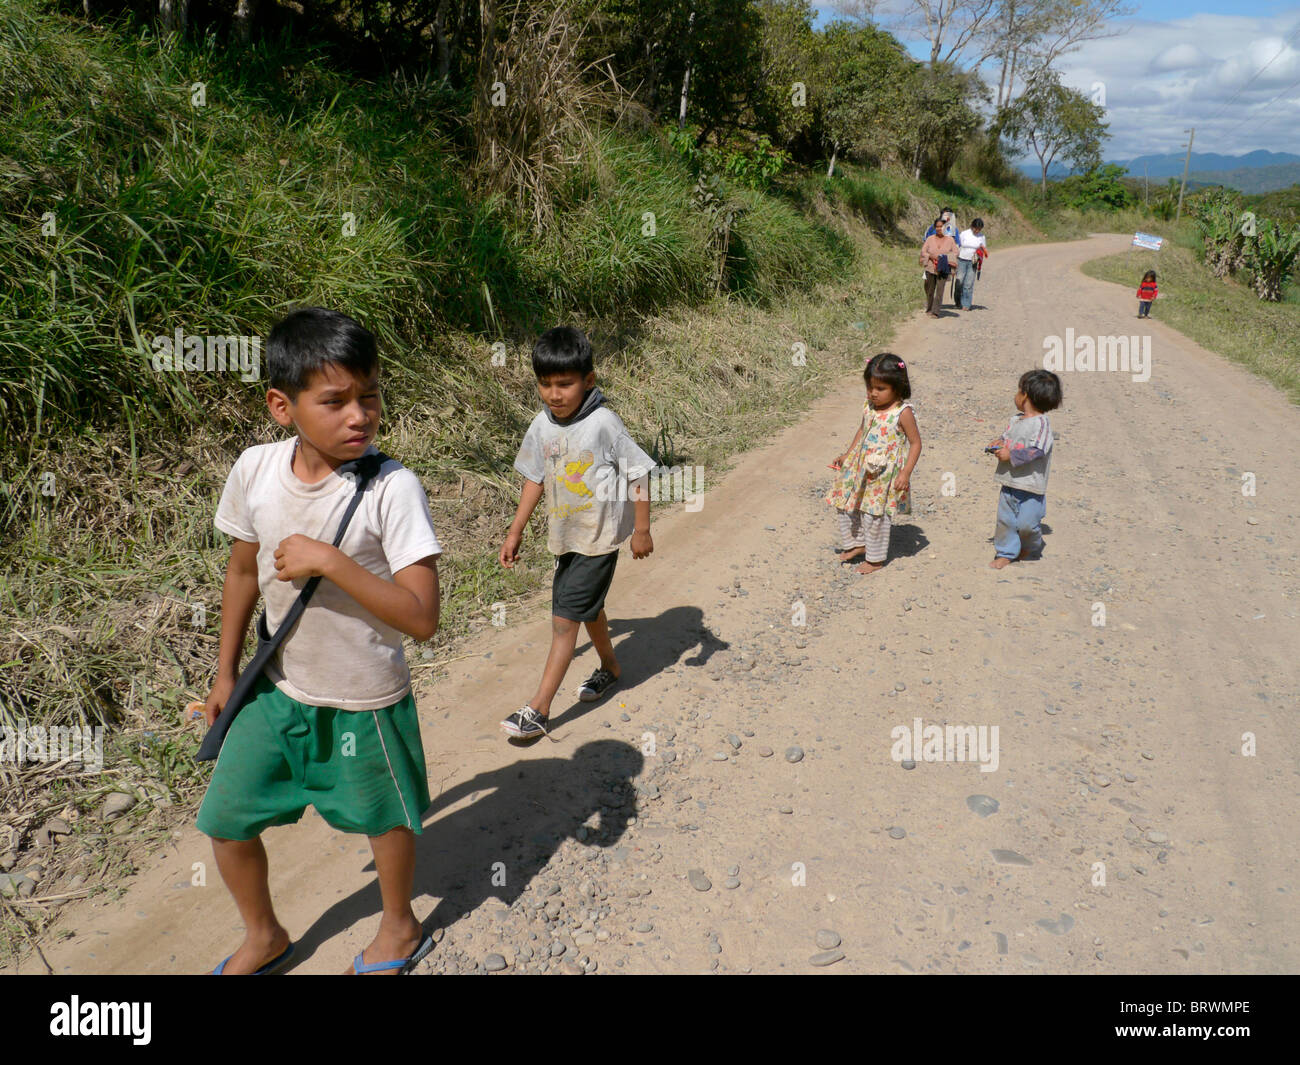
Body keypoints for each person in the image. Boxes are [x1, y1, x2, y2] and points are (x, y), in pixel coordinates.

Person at [196, 307, 443, 975]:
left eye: (370, 395)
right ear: (283, 405)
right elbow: (243, 570)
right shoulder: (254, 469)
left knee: (384, 819)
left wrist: (333, 563)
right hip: (278, 691)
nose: (359, 415)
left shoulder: (394, 489)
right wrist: (224, 672)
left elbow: (422, 617)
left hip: (365, 697)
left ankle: (399, 924)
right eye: (334, 401)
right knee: (224, 818)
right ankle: (264, 933)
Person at [499, 326, 656, 740]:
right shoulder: (541, 425)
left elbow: (638, 473)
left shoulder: (604, 423)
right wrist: (515, 531)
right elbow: (534, 477)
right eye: (545, 384)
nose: (554, 394)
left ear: (588, 381)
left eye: (565, 384)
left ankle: (539, 709)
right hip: (565, 538)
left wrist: (641, 529)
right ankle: (611, 668)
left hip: (599, 540)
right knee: (590, 609)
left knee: (564, 621)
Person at [825, 353, 922, 575]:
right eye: (870, 387)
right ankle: (859, 544)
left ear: (898, 387)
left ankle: (875, 559)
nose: (873, 393)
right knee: (848, 503)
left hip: (884, 474)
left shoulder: (902, 413)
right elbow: (862, 430)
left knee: (874, 514)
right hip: (860, 468)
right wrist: (847, 455)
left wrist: (905, 473)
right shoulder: (869, 407)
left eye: (880, 388)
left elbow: (916, 443)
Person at [987, 369, 1062, 570]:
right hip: (1009, 481)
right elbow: (1008, 438)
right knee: (1006, 521)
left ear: (1025, 395)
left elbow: (1038, 450)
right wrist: (999, 443)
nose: (1016, 395)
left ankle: (1029, 546)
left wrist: (1011, 455)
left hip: (1031, 486)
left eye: (1018, 390)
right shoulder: (1015, 420)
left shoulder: (1041, 424)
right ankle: (1006, 552)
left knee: (1027, 524)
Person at [920, 218, 959, 317]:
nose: (939, 228)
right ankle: (929, 308)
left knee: (940, 290)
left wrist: (945, 258)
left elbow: (956, 252)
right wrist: (930, 256)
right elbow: (923, 251)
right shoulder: (930, 238)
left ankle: (936, 311)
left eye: (941, 226)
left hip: (943, 268)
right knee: (930, 290)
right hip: (930, 267)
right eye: (937, 226)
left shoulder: (950, 240)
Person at [955, 218, 987, 310]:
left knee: (968, 283)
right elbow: (958, 245)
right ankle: (958, 301)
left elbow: (983, 249)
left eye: (979, 229)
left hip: (973, 262)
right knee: (959, 281)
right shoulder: (964, 234)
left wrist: (980, 253)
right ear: (972, 226)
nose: (977, 231)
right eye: (975, 228)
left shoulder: (982, 237)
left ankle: (966, 304)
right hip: (961, 259)